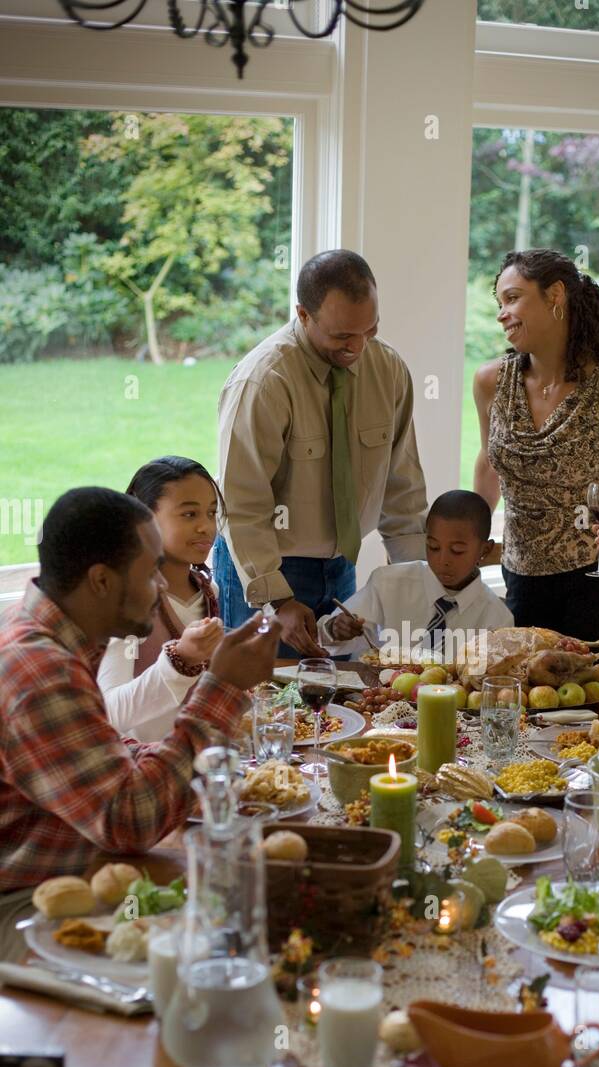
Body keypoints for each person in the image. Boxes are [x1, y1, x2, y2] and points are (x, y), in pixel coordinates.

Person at [0, 486, 279, 960]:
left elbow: (106, 761)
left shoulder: (53, 640)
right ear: (102, 581)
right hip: (26, 909)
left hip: (86, 873)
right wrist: (223, 689)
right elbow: (129, 819)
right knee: (237, 935)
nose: (164, 586)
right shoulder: (39, 671)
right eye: (151, 572)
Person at [214, 249, 428, 657]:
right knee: (269, 706)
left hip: (341, 565)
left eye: (370, 329)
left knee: (336, 700)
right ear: (304, 314)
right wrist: (278, 598)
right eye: (342, 336)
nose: (358, 346)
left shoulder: (389, 371)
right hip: (265, 566)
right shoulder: (263, 380)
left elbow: (402, 483)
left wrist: (413, 577)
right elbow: (241, 503)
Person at [473, 249, 599, 672]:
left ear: (555, 295)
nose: (503, 314)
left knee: (588, 717)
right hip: (519, 581)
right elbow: (489, 466)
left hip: (595, 585)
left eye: (513, 298)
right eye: (500, 304)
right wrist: (471, 532)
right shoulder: (489, 382)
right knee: (520, 711)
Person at [98, 456, 224, 740]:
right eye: (190, 514)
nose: (206, 526)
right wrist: (180, 660)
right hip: (143, 771)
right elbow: (109, 713)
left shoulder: (208, 592)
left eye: (211, 513)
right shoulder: (125, 603)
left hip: (199, 762)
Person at [319, 490, 512, 657]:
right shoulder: (388, 583)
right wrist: (336, 629)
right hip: (378, 695)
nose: (443, 560)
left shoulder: (496, 618)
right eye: (433, 547)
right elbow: (326, 637)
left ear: (484, 550)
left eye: (457, 551)